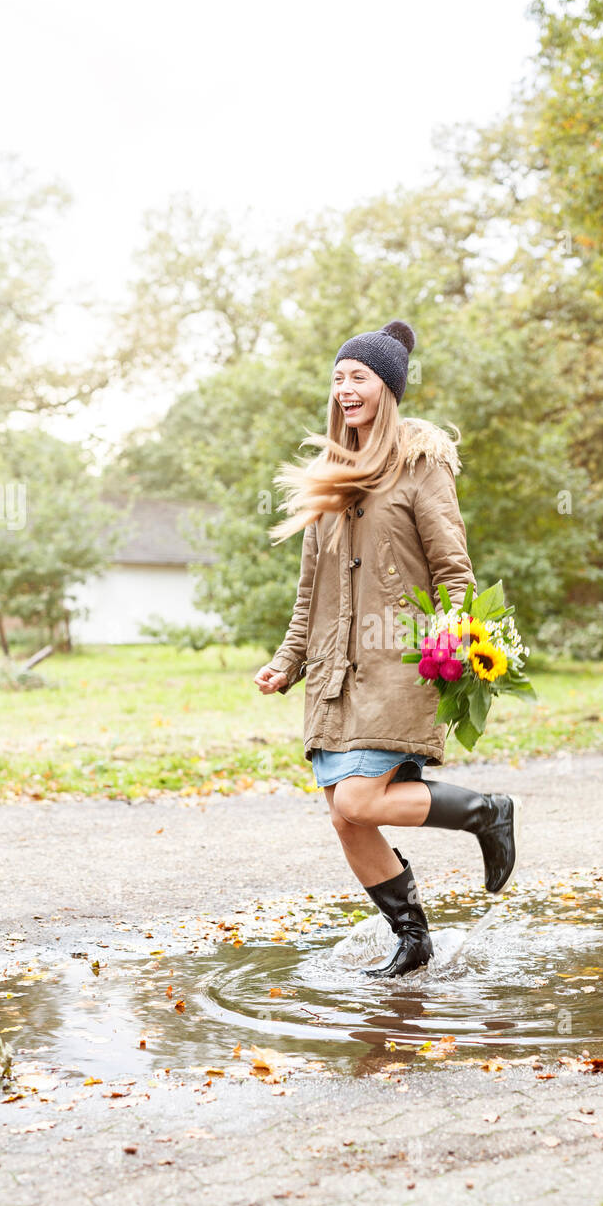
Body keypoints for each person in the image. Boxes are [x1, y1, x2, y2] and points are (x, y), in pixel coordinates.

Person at [254, 319, 521, 978]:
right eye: (339, 377)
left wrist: (450, 636)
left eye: (360, 377)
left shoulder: (419, 465)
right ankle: (413, 937)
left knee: (357, 801)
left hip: (401, 665)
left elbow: (456, 573)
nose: (346, 388)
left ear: (387, 389)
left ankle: (488, 812)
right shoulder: (330, 479)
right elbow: (309, 590)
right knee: (347, 820)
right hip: (332, 680)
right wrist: (287, 662)